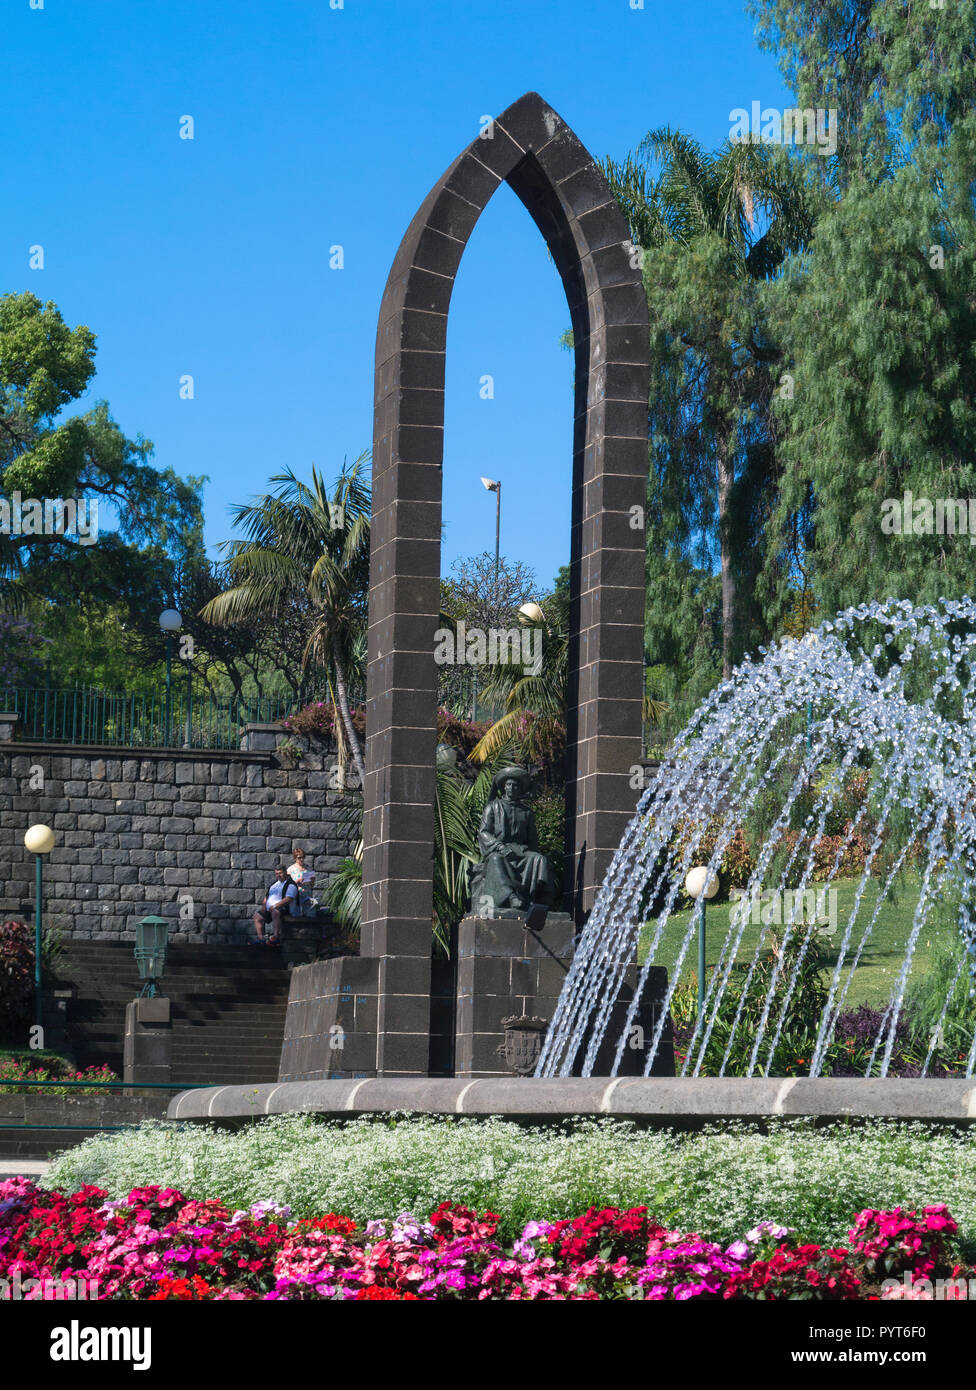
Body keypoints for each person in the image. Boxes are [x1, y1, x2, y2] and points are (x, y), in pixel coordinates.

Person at [468, 765, 555, 914]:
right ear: (504, 787)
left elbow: (532, 840)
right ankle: (510, 896)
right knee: (496, 860)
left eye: (516, 785)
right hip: (499, 851)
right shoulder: (493, 807)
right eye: (509, 784)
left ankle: (541, 900)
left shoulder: (526, 812)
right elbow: (484, 832)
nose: (512, 788)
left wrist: (530, 852)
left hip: (521, 852)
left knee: (539, 859)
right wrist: (500, 847)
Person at [251, 866, 298, 945]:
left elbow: (289, 899)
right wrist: (264, 907)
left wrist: (275, 906)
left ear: (285, 872)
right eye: (276, 874)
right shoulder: (274, 884)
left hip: (285, 909)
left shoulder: (291, 884)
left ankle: (276, 937)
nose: (278, 875)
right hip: (271, 909)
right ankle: (261, 939)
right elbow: (267, 896)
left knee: (275, 912)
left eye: (280, 873)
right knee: (257, 916)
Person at [286, 847, 317, 915]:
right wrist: (297, 881)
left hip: (307, 896)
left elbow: (312, 885)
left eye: (303, 857)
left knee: (310, 915)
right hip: (296, 897)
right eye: (299, 857)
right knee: (296, 915)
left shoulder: (308, 868)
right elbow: (287, 886)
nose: (302, 859)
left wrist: (312, 880)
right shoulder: (290, 870)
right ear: (295, 858)